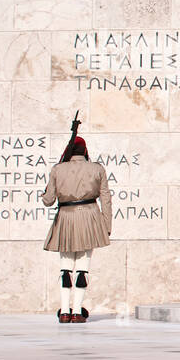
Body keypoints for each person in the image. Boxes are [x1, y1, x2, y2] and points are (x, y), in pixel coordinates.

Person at [41, 135, 111, 324]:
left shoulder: (58, 169)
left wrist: (47, 188)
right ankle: (78, 311)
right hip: (89, 216)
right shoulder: (97, 169)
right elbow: (105, 198)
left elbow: (48, 201)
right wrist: (107, 225)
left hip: (66, 216)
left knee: (66, 267)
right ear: (84, 151)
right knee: (82, 268)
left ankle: (64, 311)